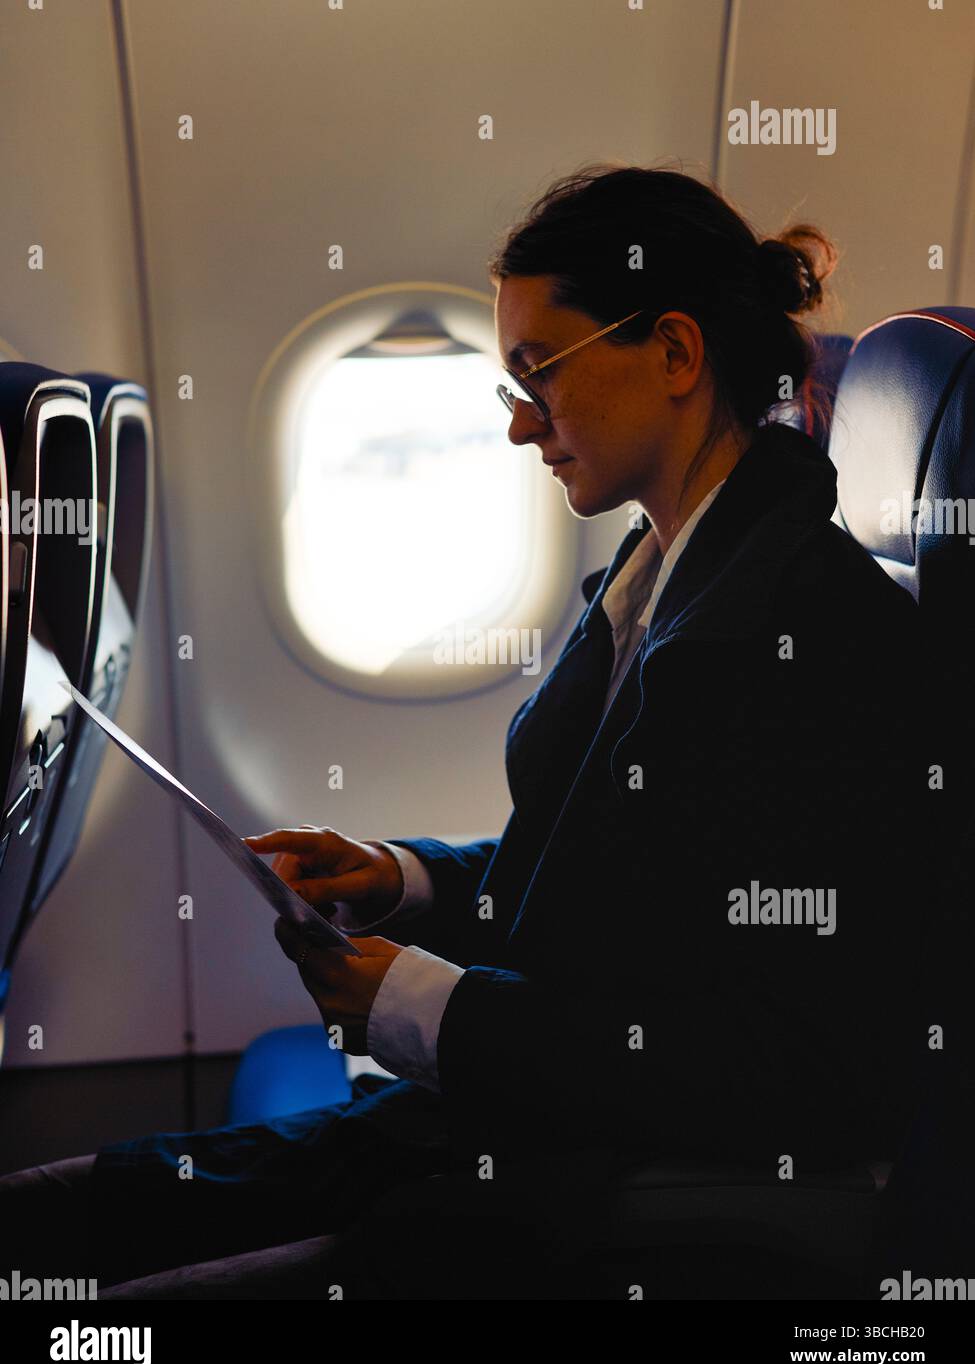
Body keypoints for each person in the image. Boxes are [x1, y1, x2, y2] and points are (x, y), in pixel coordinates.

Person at [0, 162, 942, 1299]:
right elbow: (605, 883)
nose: (520, 426)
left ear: (675, 353)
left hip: (591, 1197)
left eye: (540, 374)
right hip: (499, 1128)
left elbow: (796, 1068)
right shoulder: (657, 576)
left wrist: (420, 1009)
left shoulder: (811, 638)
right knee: (40, 1219)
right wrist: (401, 881)